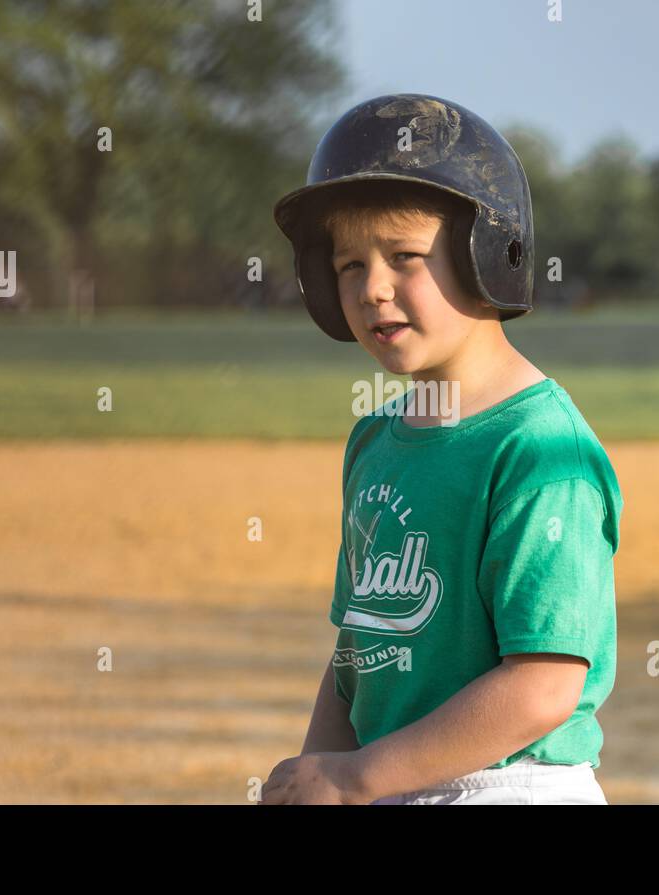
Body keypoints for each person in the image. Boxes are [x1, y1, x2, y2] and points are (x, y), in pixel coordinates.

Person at [260, 94, 623, 805]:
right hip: (392, 777)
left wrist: (355, 776)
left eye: (405, 257)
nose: (373, 289)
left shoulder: (540, 447)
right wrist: (323, 771)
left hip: (507, 785)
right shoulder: (374, 439)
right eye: (349, 265)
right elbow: (355, 652)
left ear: (487, 253)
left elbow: (545, 683)